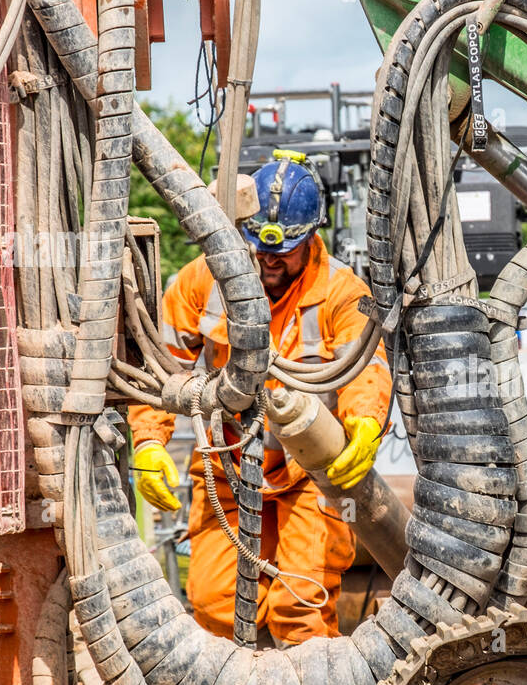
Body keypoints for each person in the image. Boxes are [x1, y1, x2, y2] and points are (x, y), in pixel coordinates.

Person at [129, 156, 390, 646]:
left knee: (300, 607)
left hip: (309, 477)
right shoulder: (201, 282)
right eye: (260, 248)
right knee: (215, 604)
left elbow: (367, 365)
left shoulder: (340, 291)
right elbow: (160, 367)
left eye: (284, 252)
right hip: (227, 465)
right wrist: (148, 443)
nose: (270, 262)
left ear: (312, 236)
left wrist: (365, 423)